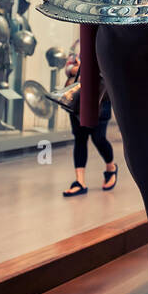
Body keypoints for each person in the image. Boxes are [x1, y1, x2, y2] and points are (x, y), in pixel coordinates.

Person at [60, 52, 118, 197]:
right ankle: (80, 182)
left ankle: (111, 168)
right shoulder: (79, 43)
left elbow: (113, 69)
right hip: (78, 96)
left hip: (100, 97)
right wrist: (78, 69)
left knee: (98, 138)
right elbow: (68, 68)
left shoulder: (107, 39)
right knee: (80, 138)